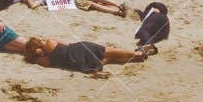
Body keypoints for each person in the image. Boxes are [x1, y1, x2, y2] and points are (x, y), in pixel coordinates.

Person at [20, 36, 154, 73]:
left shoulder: (42, 62)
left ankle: (136, 57)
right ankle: (136, 53)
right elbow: (66, 45)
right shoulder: (49, 42)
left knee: (108, 58)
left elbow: (54, 61)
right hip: (78, 50)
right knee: (108, 50)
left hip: (76, 64)